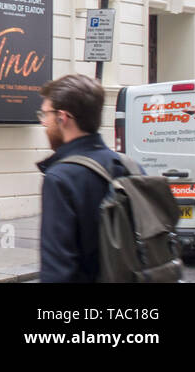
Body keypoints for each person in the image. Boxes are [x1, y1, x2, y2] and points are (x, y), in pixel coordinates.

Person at [36, 73, 137, 283]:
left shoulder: (61, 178)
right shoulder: (129, 166)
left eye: (45, 114)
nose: (43, 123)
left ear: (62, 117)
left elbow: (58, 270)